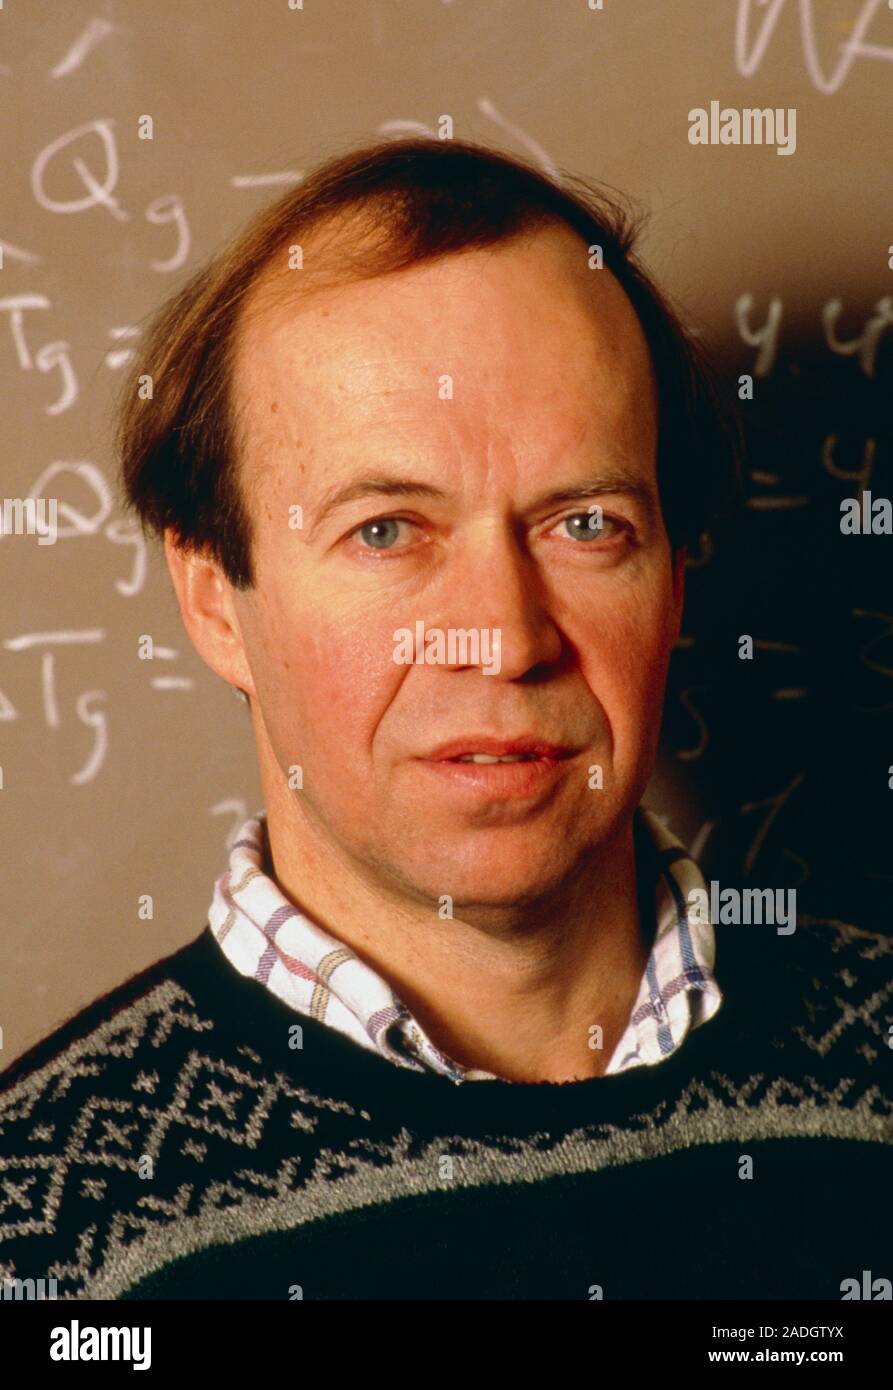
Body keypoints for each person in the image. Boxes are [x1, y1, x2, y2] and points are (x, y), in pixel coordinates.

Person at [1, 139, 889, 1301]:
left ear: (674, 583)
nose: (505, 639)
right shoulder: (48, 1234)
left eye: (585, 525)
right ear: (215, 598)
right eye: (386, 531)